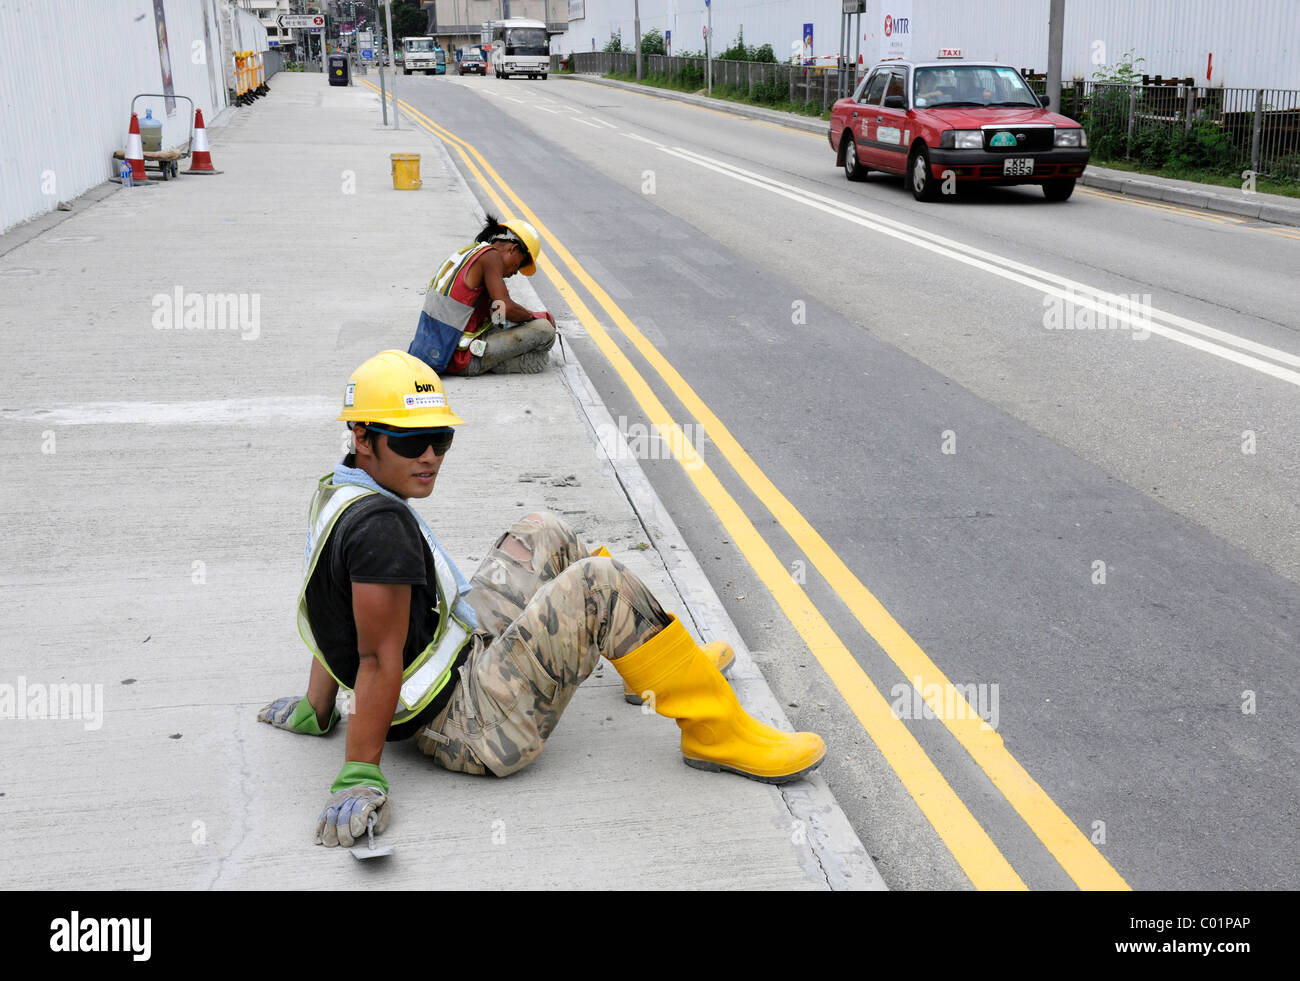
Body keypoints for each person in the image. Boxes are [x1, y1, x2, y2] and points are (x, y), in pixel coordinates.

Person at [258, 350, 827, 848]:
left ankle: (647, 667)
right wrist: (360, 771)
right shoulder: (380, 534)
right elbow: (375, 656)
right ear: (362, 437)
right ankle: (714, 733)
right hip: (469, 727)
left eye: (442, 439)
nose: (430, 457)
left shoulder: (341, 487)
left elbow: (331, 608)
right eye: (411, 441)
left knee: (542, 530)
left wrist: (319, 706)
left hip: (460, 659)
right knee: (600, 585)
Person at [408, 215, 557, 376]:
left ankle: (496, 361)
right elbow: (506, 307)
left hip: (433, 349)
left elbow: (498, 319)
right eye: (519, 265)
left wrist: (513, 314)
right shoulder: (490, 257)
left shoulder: (471, 253)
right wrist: (533, 317)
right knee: (545, 332)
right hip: (459, 359)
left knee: (525, 332)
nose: (515, 272)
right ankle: (497, 364)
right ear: (512, 249)